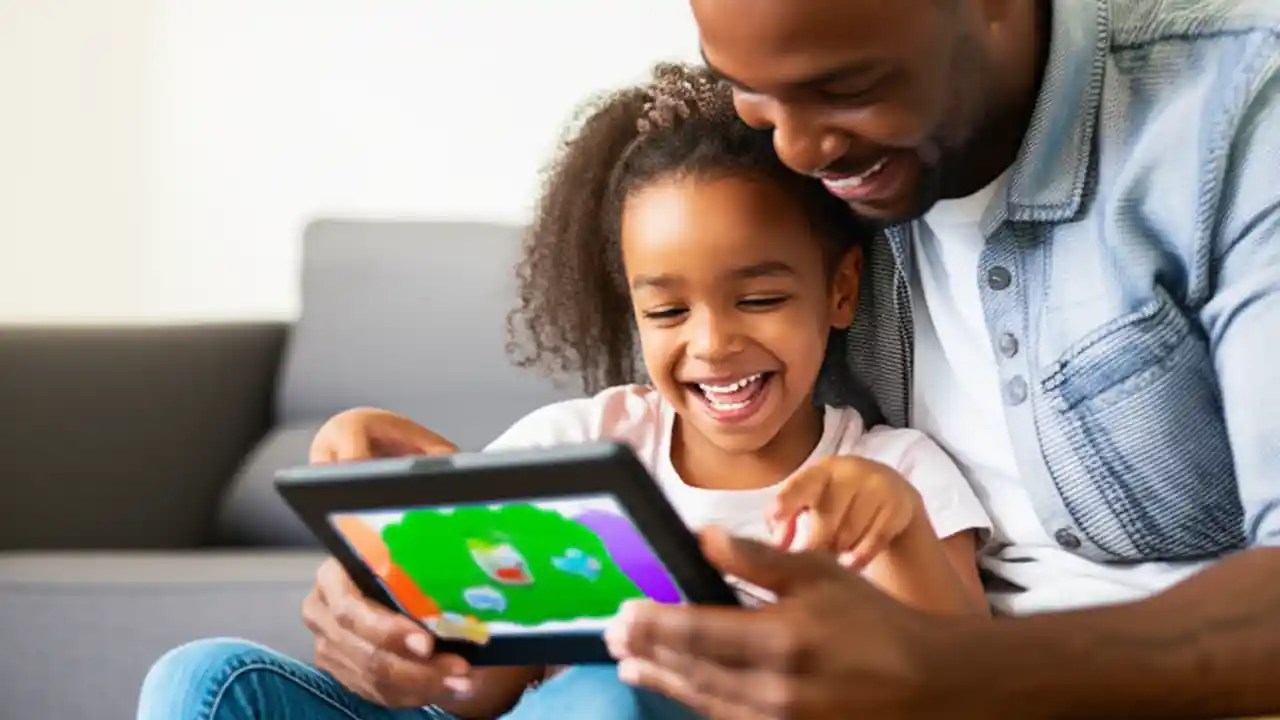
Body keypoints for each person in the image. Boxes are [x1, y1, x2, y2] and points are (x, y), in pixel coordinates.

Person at [293, 0, 1280, 717]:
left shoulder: (1234, 117)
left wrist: (942, 673)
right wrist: (402, 596)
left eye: (844, 89)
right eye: (753, 93)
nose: (800, 149)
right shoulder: (803, 187)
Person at [137, 63, 992, 720]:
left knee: (609, 690)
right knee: (208, 682)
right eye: (667, 309)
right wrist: (391, 537)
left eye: (760, 299)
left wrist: (901, 530)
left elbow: (967, 690)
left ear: (840, 291)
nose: (713, 343)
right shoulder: (586, 441)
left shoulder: (894, 472)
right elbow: (481, 690)